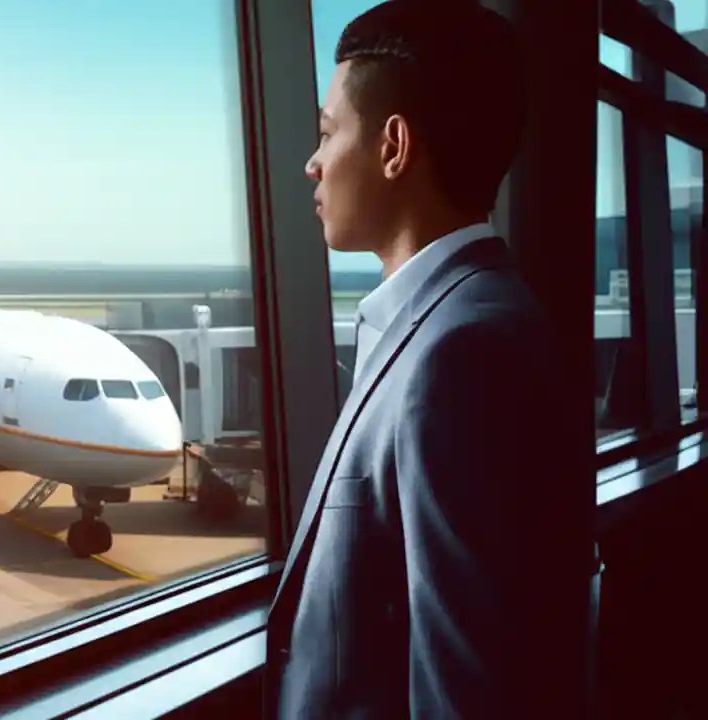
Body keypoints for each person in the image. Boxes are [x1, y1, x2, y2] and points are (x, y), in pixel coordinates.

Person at [266, 1, 589, 717]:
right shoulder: (481, 318)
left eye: (327, 132)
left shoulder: (458, 358)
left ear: (393, 146)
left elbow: (467, 691)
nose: (311, 163)